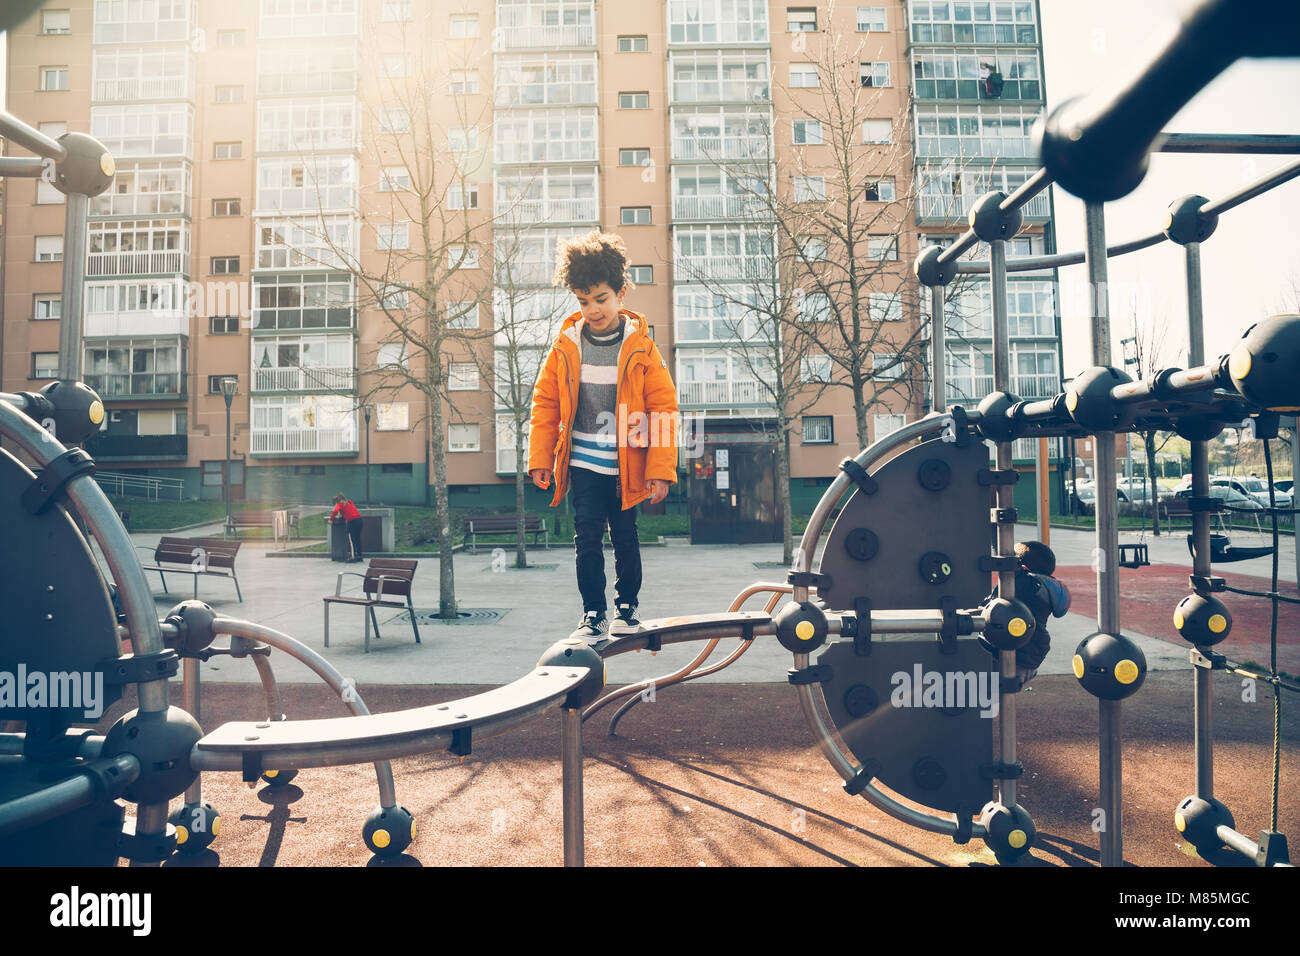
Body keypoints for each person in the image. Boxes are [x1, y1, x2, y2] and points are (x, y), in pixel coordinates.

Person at [528, 230, 679, 644]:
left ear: (621, 293)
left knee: (626, 535)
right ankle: (593, 612)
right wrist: (541, 458)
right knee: (587, 537)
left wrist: (660, 469)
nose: (592, 310)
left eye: (601, 299)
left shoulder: (641, 348)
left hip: (625, 463)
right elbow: (545, 404)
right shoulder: (566, 347)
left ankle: (626, 608)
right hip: (583, 462)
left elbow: (663, 410)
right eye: (582, 301)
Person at [982, 540, 1071, 685]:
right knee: (1007, 687)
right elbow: (1061, 611)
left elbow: (1004, 559)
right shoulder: (1051, 588)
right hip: (1035, 651)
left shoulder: (1025, 582)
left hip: (1017, 647)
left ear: (1021, 567)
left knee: (999, 686)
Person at [330, 493, 364, 562]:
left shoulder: (339, 504)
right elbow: (348, 511)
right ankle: (359, 556)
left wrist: (331, 519)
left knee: (352, 541)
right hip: (359, 520)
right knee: (357, 539)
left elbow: (335, 511)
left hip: (352, 522)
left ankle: (352, 557)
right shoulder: (349, 502)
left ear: (337, 501)